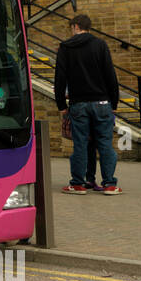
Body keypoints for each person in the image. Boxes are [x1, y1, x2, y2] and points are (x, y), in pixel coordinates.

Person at [53, 13, 121, 195]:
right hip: (102, 102)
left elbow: (59, 78)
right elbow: (110, 76)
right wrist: (114, 102)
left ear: (75, 26)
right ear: (88, 27)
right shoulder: (100, 45)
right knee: (105, 143)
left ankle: (78, 183)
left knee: (80, 144)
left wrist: (61, 104)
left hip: (78, 103)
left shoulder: (65, 47)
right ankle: (109, 184)